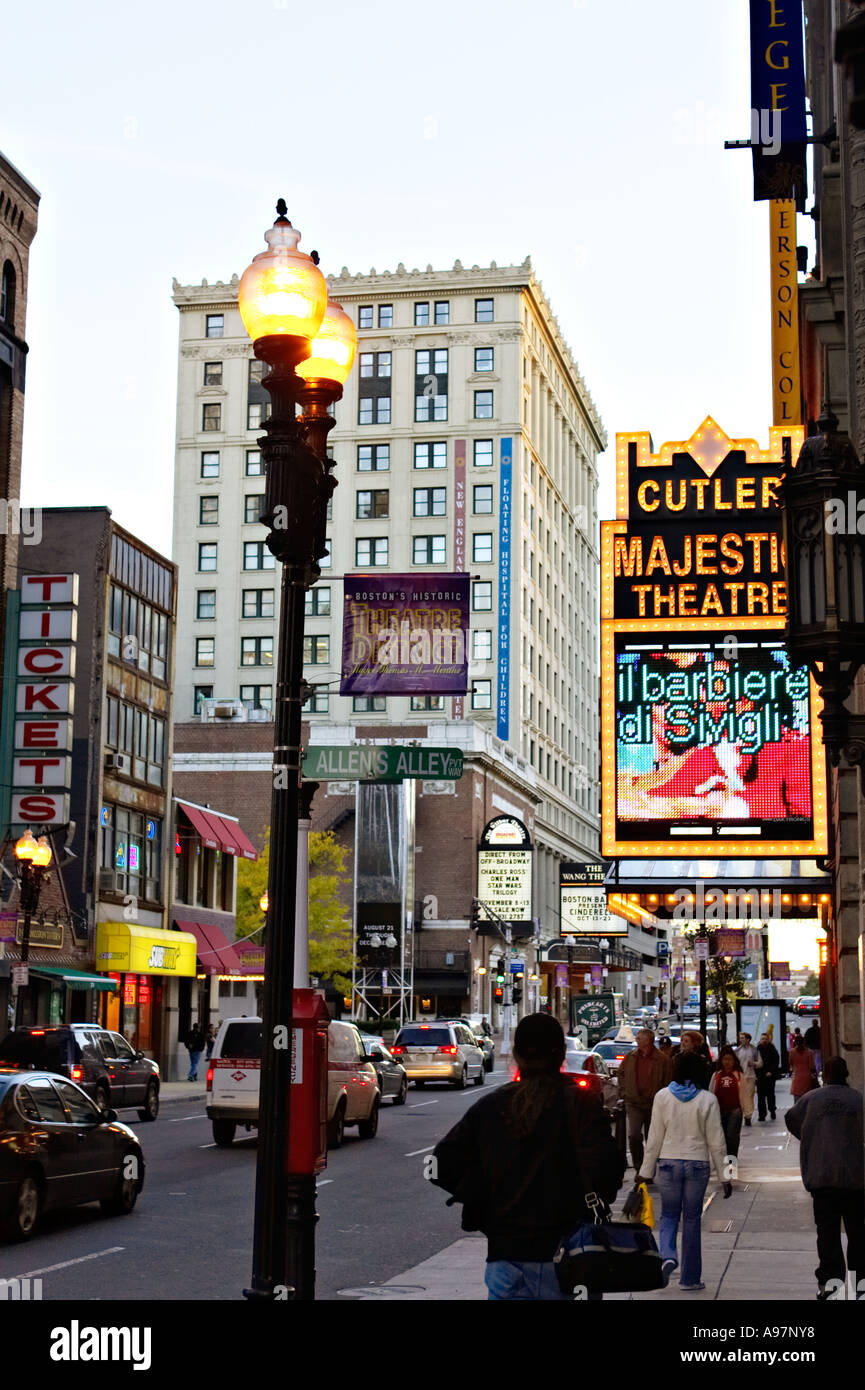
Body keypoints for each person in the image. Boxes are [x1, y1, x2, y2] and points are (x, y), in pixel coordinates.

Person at [430, 1012, 625, 1301]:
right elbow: (610, 1169)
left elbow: (439, 1165)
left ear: (516, 1054)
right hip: (570, 1254)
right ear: (561, 1054)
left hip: (508, 1255)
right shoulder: (580, 1104)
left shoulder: (492, 1106)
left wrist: (484, 1203)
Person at [638, 1052, 731, 1292]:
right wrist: (725, 1176)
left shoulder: (662, 1097)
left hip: (668, 1162)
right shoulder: (708, 1099)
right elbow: (717, 1141)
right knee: (691, 1219)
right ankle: (690, 1278)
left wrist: (645, 1171)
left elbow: (654, 1137)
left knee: (668, 1215)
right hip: (697, 1163)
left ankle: (668, 1255)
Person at [785, 1056, 864, 1299]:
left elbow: (791, 1119)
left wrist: (813, 1137)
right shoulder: (859, 1100)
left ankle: (831, 1284)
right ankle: (861, 1282)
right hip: (854, 1177)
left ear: (825, 1075)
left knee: (827, 1234)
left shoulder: (811, 1099)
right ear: (847, 1073)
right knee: (858, 1232)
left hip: (822, 1177)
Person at [617, 1028, 673, 1173]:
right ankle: (639, 1167)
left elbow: (668, 1080)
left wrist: (664, 1099)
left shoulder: (662, 1060)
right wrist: (624, 1091)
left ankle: (649, 1169)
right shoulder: (631, 1056)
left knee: (652, 1139)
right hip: (633, 1102)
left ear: (648, 1041)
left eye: (639, 1038)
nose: (637, 1041)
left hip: (654, 1103)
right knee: (634, 1135)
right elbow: (621, 1074)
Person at [710, 1048, 743, 1159]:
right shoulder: (716, 1075)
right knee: (722, 1136)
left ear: (734, 1061)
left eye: (730, 1059)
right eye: (725, 1059)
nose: (727, 1062)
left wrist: (748, 1111)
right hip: (720, 1110)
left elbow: (745, 1094)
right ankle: (724, 1158)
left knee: (732, 1136)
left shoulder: (738, 1075)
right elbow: (711, 1092)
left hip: (735, 1110)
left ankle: (732, 1160)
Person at [735, 1032, 762, 1126]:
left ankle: (748, 1116)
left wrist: (754, 1064)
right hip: (740, 1077)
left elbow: (760, 1063)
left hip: (751, 1076)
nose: (741, 1040)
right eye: (740, 1038)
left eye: (743, 1038)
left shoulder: (754, 1050)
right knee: (741, 1097)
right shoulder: (737, 1051)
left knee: (750, 1097)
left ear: (748, 1039)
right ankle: (743, 1113)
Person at [757, 1032, 780, 1121]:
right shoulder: (757, 1050)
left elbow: (776, 1062)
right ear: (760, 1040)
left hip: (770, 1077)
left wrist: (771, 1071)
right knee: (761, 1097)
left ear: (768, 1040)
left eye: (766, 1039)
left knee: (771, 1095)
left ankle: (772, 1110)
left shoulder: (773, 1050)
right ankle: (762, 1114)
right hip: (760, 1077)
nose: (764, 1041)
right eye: (763, 1039)